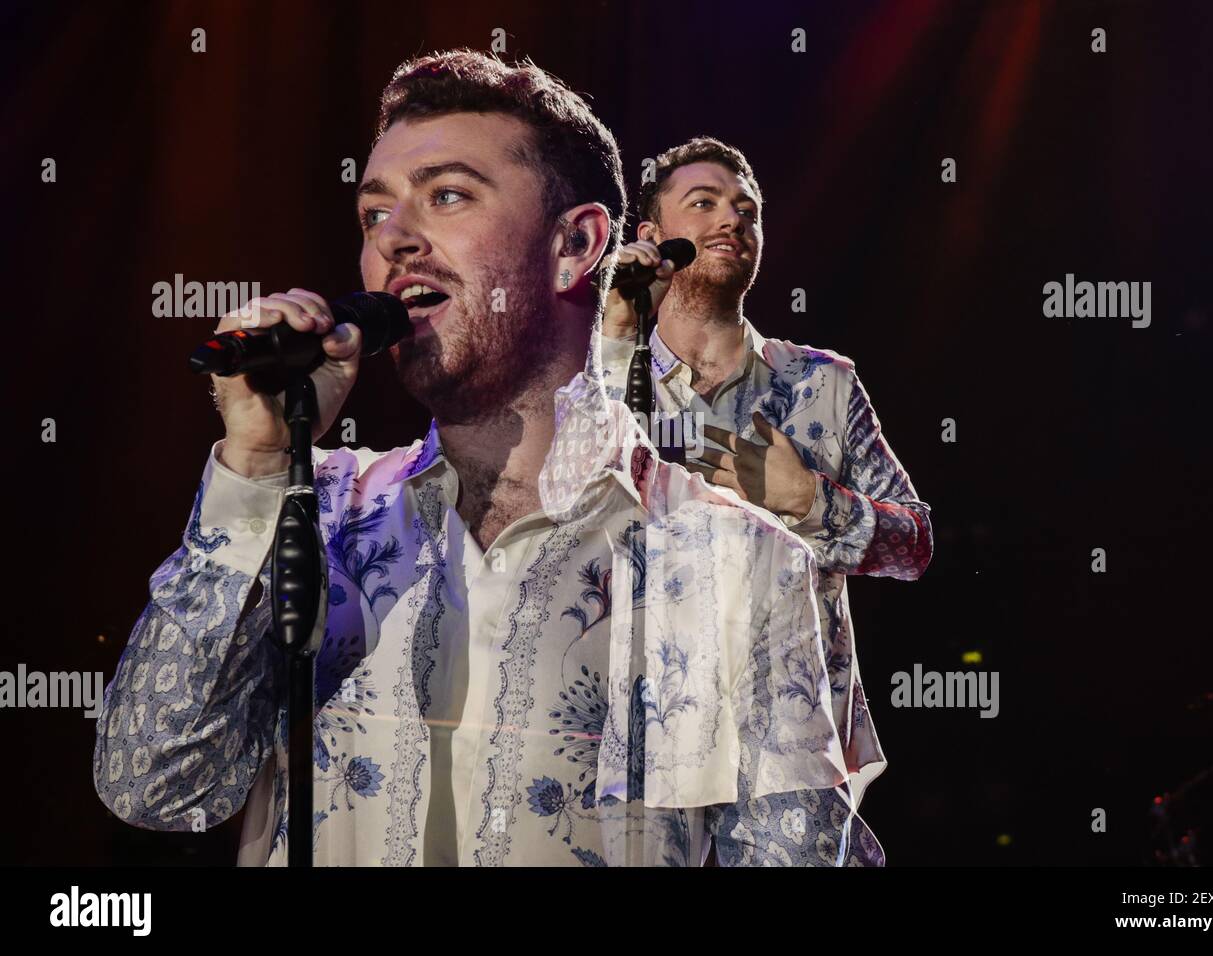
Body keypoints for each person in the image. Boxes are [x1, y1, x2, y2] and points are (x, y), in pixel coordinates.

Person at [93, 52, 867, 866]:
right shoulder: (308, 511)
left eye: (448, 196)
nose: (394, 239)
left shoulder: (734, 560)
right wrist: (254, 466)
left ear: (576, 245)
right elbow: (155, 786)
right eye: (373, 214)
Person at [602, 137, 935, 861]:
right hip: (630, 739)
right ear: (652, 239)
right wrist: (613, 341)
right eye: (705, 203)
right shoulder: (604, 374)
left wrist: (811, 499)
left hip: (782, 745)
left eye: (746, 210)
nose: (732, 220)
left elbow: (915, 543)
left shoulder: (823, 383)